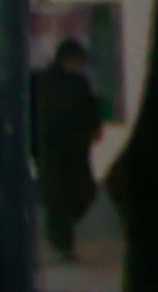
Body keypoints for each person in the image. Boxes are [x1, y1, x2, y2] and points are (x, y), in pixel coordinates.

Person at [32, 37, 105, 260]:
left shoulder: (77, 83)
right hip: (54, 151)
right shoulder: (44, 82)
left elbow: (89, 110)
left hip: (71, 152)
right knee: (59, 200)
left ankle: (62, 241)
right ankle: (62, 244)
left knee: (77, 194)